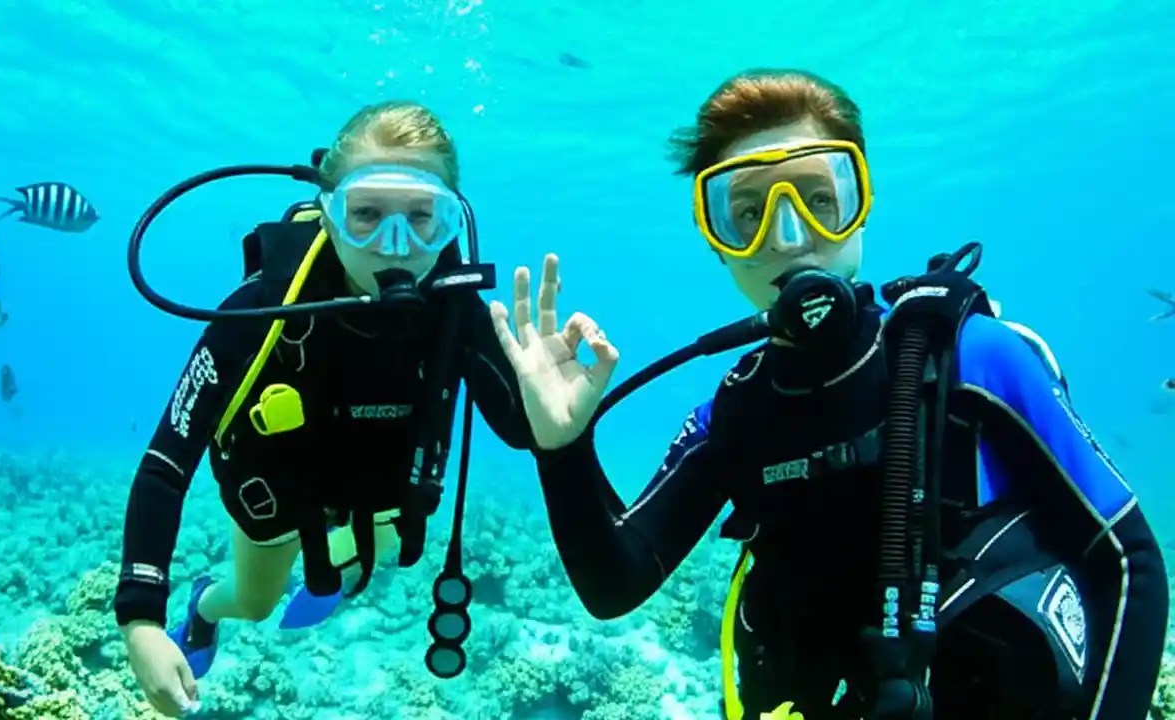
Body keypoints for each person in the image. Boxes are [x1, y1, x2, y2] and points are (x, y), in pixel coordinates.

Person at [490, 69, 1167, 719]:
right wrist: (562, 448)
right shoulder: (735, 415)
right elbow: (615, 584)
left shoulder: (972, 357)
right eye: (746, 213)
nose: (787, 237)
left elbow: (1130, 559)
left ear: (861, 209)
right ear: (718, 246)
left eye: (818, 199)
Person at [115, 100, 532, 717]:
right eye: (366, 215)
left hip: (387, 494)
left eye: (423, 219)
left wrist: (559, 408)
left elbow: (526, 432)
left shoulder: (460, 318)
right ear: (330, 216)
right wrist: (141, 620)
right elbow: (165, 464)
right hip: (277, 490)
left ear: (452, 222)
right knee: (255, 603)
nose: (397, 246)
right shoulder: (259, 309)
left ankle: (331, 575)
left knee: (370, 558)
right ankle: (206, 605)